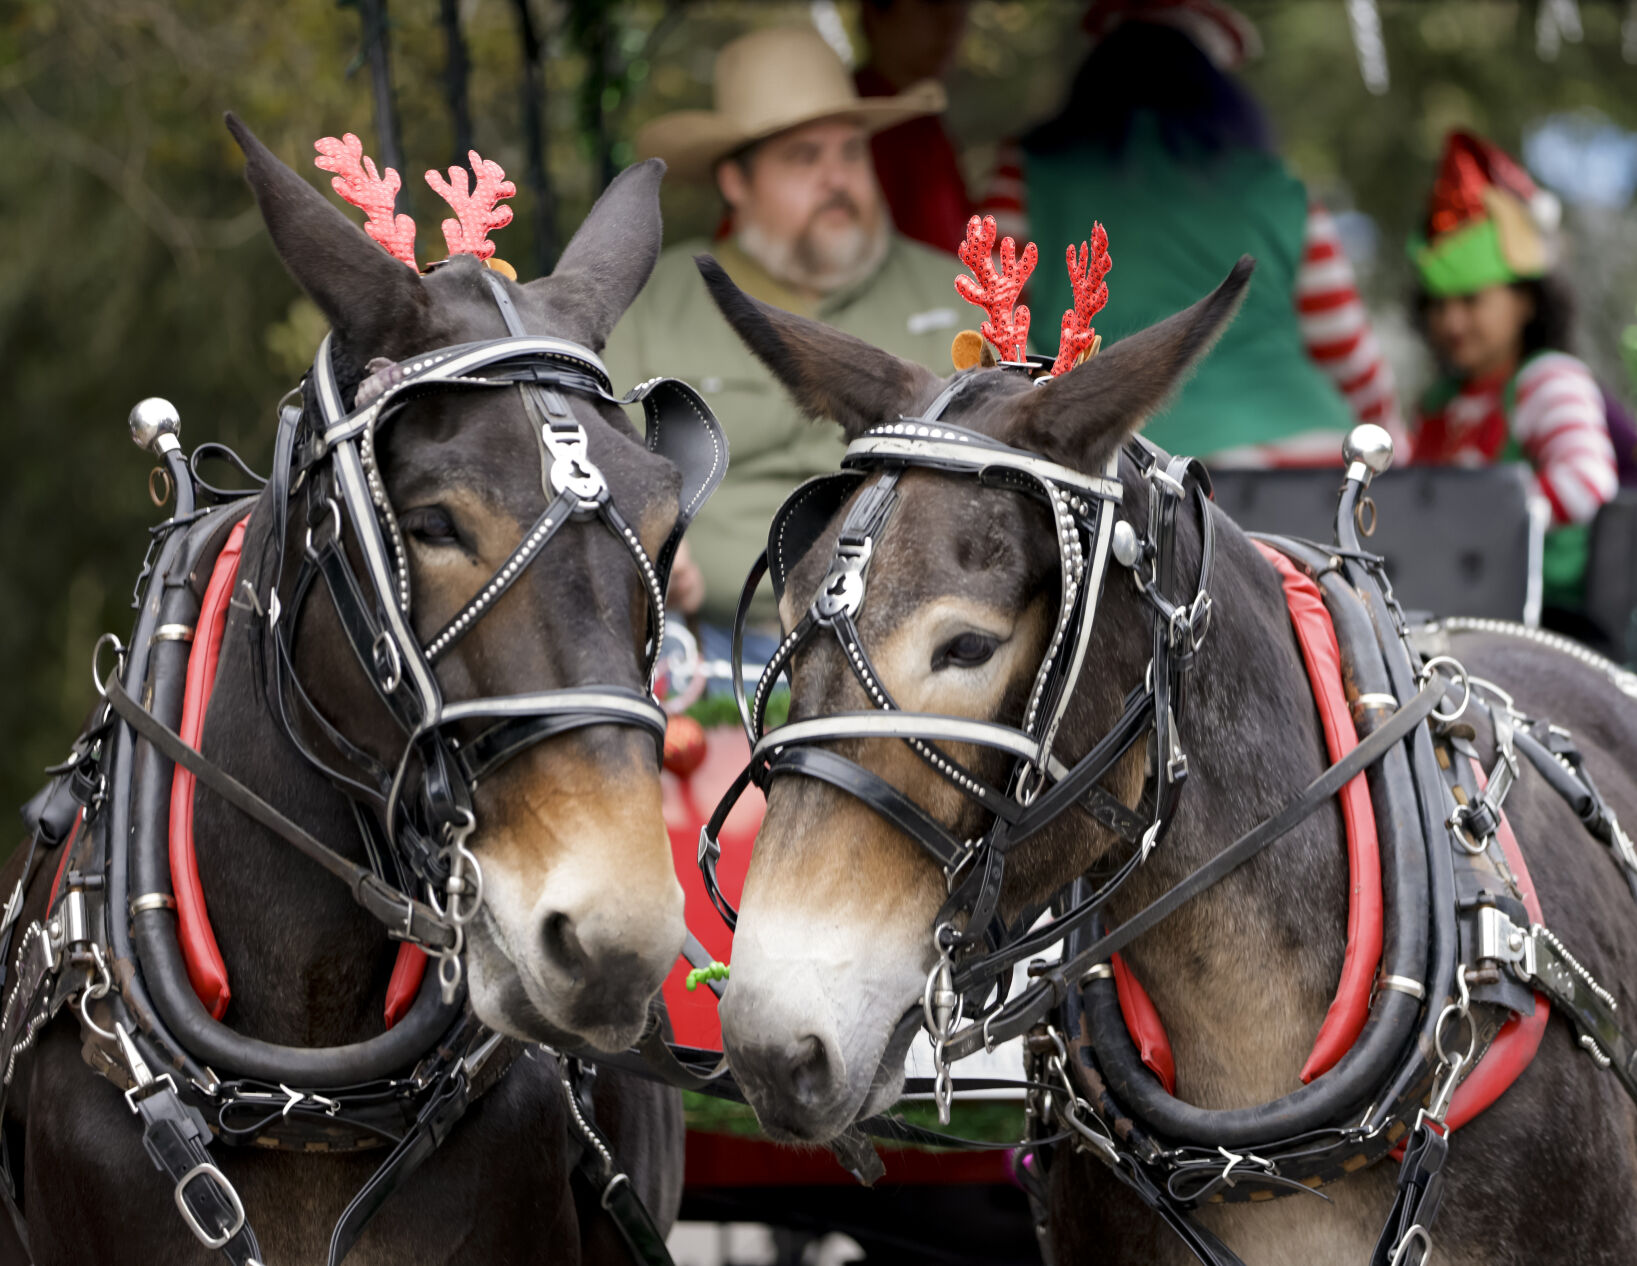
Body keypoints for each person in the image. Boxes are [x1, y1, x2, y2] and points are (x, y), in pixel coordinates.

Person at [606, 26, 967, 631]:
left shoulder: (958, 293)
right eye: (804, 157)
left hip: (924, 645)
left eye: (851, 152)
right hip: (708, 648)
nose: (837, 179)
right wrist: (638, 522)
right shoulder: (649, 302)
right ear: (735, 183)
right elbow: (583, 452)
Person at [977, 0, 1403, 464]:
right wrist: (1394, 441)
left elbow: (993, 331)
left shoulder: (1026, 175)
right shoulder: (1280, 189)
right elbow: (1351, 357)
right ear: (1220, 89)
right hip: (1309, 458)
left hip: (1137, 475)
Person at [1408, 130, 1620, 613]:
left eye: (1471, 300)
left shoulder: (1549, 381)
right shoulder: (1437, 404)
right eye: (1437, 305)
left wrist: (1471, 516)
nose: (1451, 321)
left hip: (1547, 626)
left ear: (1527, 300)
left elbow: (1587, 483)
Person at [855, 0, 974, 251]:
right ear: (872, 15)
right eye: (930, 6)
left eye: (963, 6)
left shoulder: (927, 122)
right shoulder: (856, 127)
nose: (951, 23)